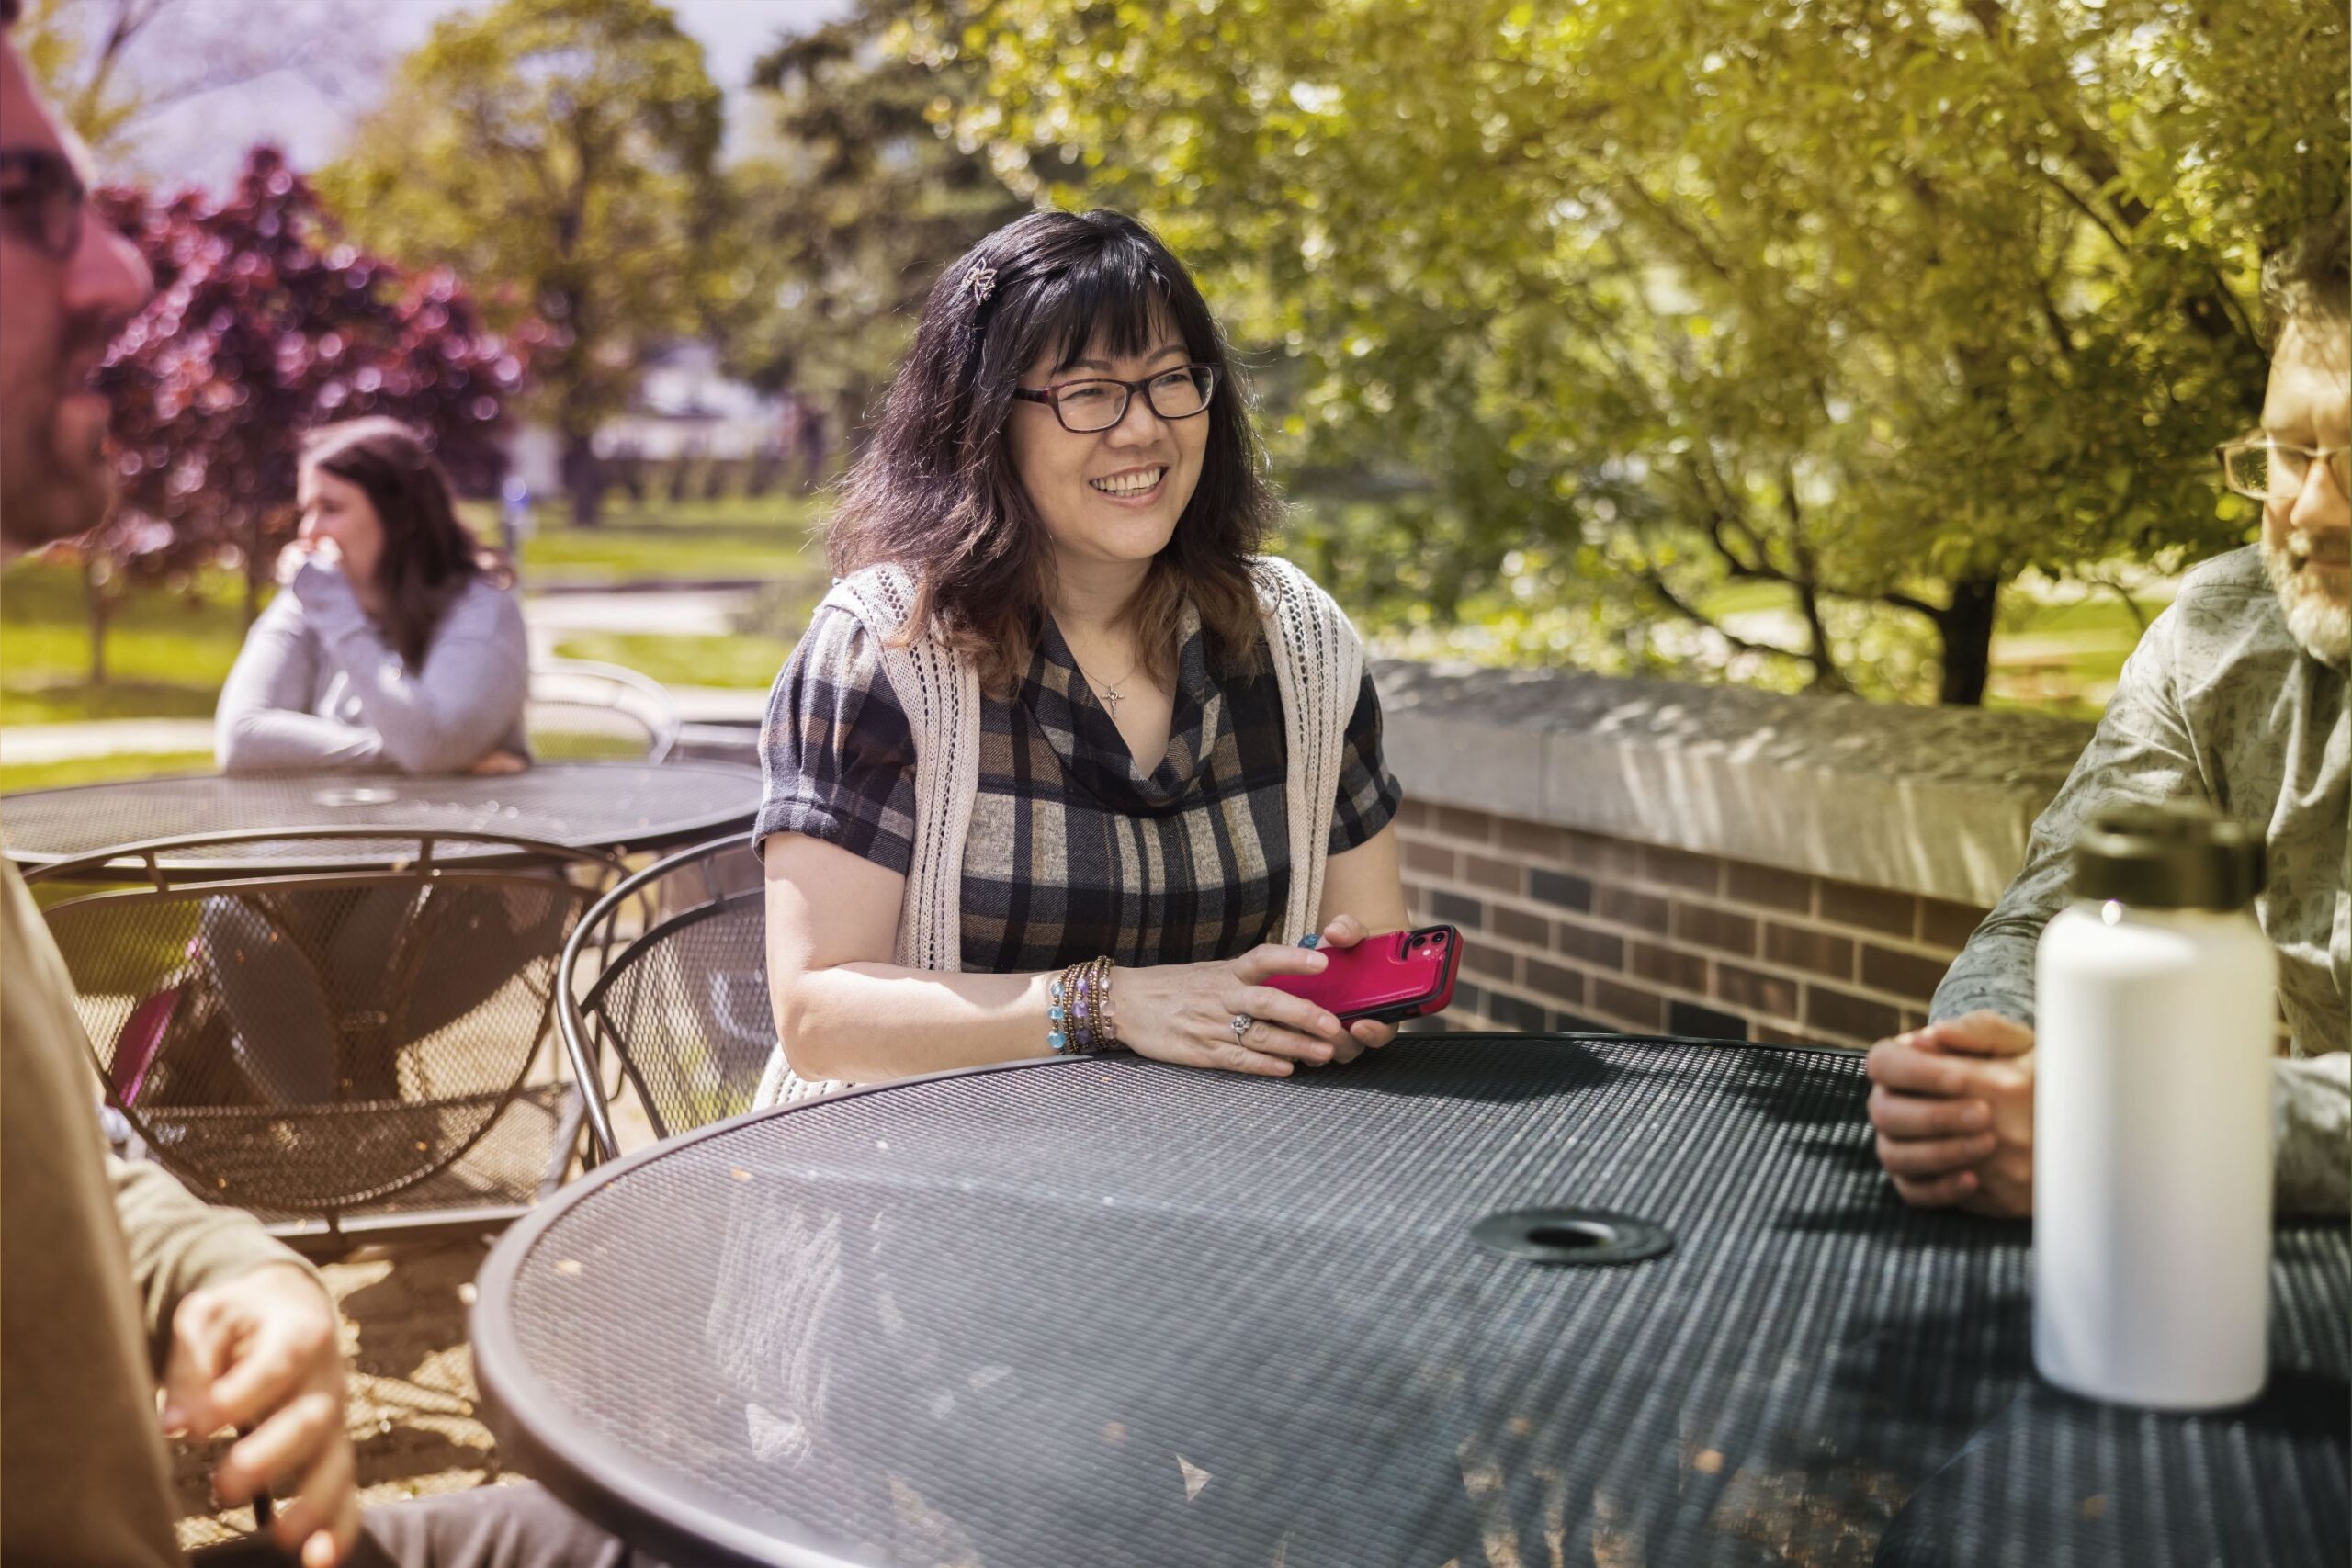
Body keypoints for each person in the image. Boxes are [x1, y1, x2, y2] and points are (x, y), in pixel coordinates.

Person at [0, 8, 661, 1563]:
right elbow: (257, 742)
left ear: (397, 511)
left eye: (327, 510)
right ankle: (349, 1150)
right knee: (240, 925)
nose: (123, 270)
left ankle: (327, 1170)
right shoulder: (317, 599)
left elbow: (443, 738)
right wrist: (363, 680)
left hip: (485, 895)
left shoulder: (473, 599)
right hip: (355, 877)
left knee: (279, 951)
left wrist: (204, 1265)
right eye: (33, 202)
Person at [755, 209, 1409, 1097]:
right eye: (1088, 390)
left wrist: (1343, 1001)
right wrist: (1107, 1006)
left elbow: (1370, 945)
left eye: (1171, 379)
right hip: (908, 1192)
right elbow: (819, 1018)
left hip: (1211, 1186)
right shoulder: (883, 648)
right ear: (984, 423)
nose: (1143, 429)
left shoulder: (1299, 641)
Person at [1865, 217, 2350, 1218]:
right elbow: (2047, 920)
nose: (2309, 511)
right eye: (2289, 451)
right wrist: (1976, 1068)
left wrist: (2140, 1131)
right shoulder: (2220, 637)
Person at [216, 416, 529, 777]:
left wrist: (338, 615)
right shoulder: (316, 596)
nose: (310, 532)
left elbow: (431, 746)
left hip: (467, 831)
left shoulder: (485, 610)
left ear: (402, 518)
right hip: (335, 830)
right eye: (307, 511)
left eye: (331, 509)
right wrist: (404, 754)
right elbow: (240, 738)